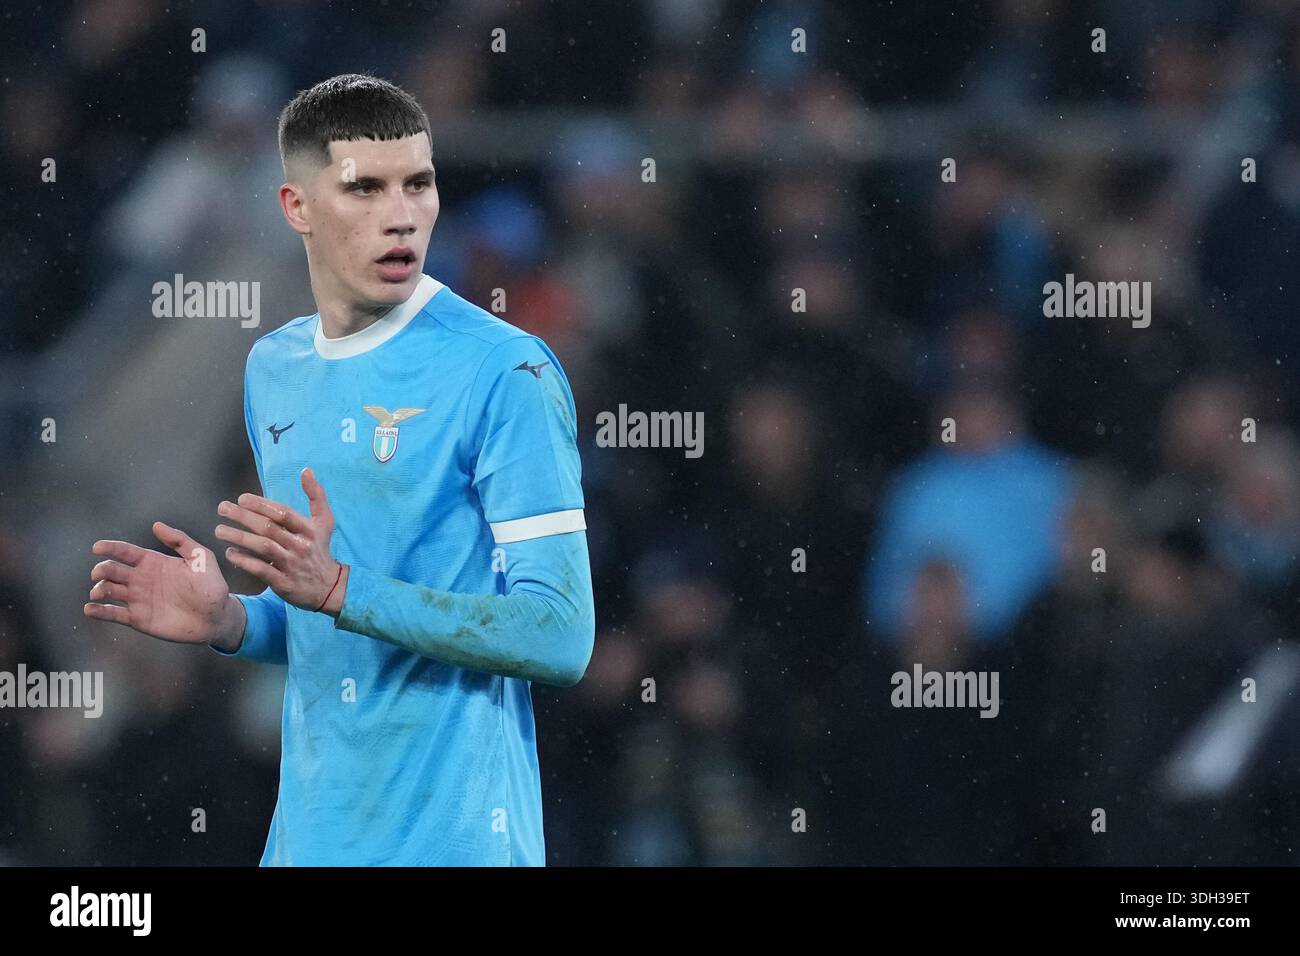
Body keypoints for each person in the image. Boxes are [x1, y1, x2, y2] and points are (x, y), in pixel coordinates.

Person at [82, 73, 595, 866]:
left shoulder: (505, 370)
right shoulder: (274, 369)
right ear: (297, 209)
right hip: (309, 845)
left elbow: (561, 635)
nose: (400, 215)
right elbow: (337, 626)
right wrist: (235, 622)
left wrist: (344, 590)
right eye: (364, 189)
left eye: (417, 184)